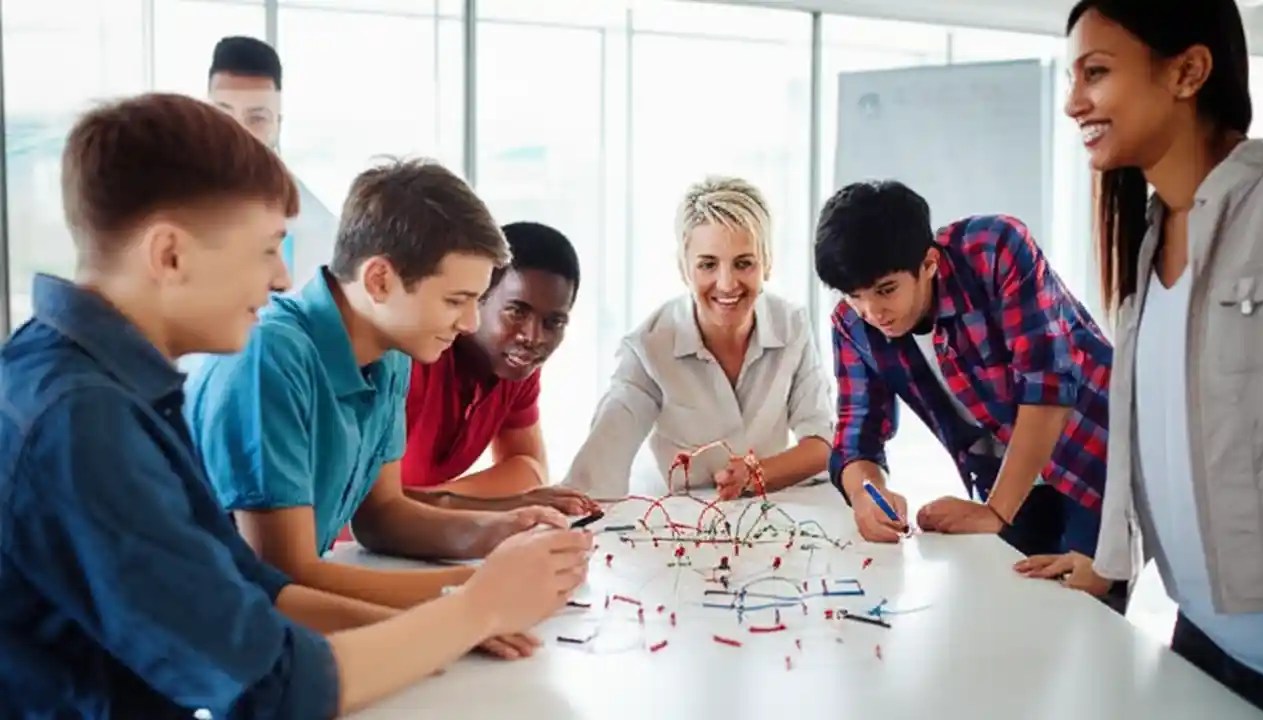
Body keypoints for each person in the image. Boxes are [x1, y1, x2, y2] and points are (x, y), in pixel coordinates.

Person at [0, 92, 590, 718]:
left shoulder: (108, 386)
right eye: (266, 250)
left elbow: (257, 591)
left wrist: (465, 615)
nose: (283, 279)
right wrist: (474, 608)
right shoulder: (80, 420)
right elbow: (267, 686)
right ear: (170, 255)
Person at [1014, 1, 1263, 715]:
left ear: (1188, 71)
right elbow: (1148, 435)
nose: (1074, 103)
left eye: (1096, 72)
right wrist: (1107, 566)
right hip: (1203, 639)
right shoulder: (1147, 239)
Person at [185, 158, 569, 625]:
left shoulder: (391, 353)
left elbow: (381, 515)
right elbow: (282, 576)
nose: (470, 323)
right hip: (204, 644)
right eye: (456, 300)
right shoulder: (272, 356)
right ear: (379, 280)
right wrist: (476, 594)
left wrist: (504, 531)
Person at [814, 180, 1118, 572]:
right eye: (854, 296)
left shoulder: (995, 250)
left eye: (886, 290)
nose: (872, 312)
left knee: (1091, 605)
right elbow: (857, 435)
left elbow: (1049, 385)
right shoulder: (853, 325)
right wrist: (868, 493)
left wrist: (996, 512)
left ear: (928, 264)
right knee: (1018, 602)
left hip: (1092, 457)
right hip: (1005, 477)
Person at [564, 176, 834, 499]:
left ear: (768, 264)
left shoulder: (792, 327)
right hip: (676, 517)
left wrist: (756, 475)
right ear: (683, 269)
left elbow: (823, 441)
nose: (726, 284)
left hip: (766, 509)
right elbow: (601, 461)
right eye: (707, 265)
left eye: (744, 264)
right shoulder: (648, 347)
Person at [401, 221, 598, 516]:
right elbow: (366, 509)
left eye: (553, 322)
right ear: (476, 299)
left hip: (414, 541)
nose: (533, 337)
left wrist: (432, 503)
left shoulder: (514, 366)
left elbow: (529, 472)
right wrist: (493, 503)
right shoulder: (412, 359)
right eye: (516, 312)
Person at [208, 35, 337, 279]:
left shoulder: (313, 225)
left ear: (277, 124)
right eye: (223, 115)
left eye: (257, 118)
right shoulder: (164, 203)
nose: (238, 133)